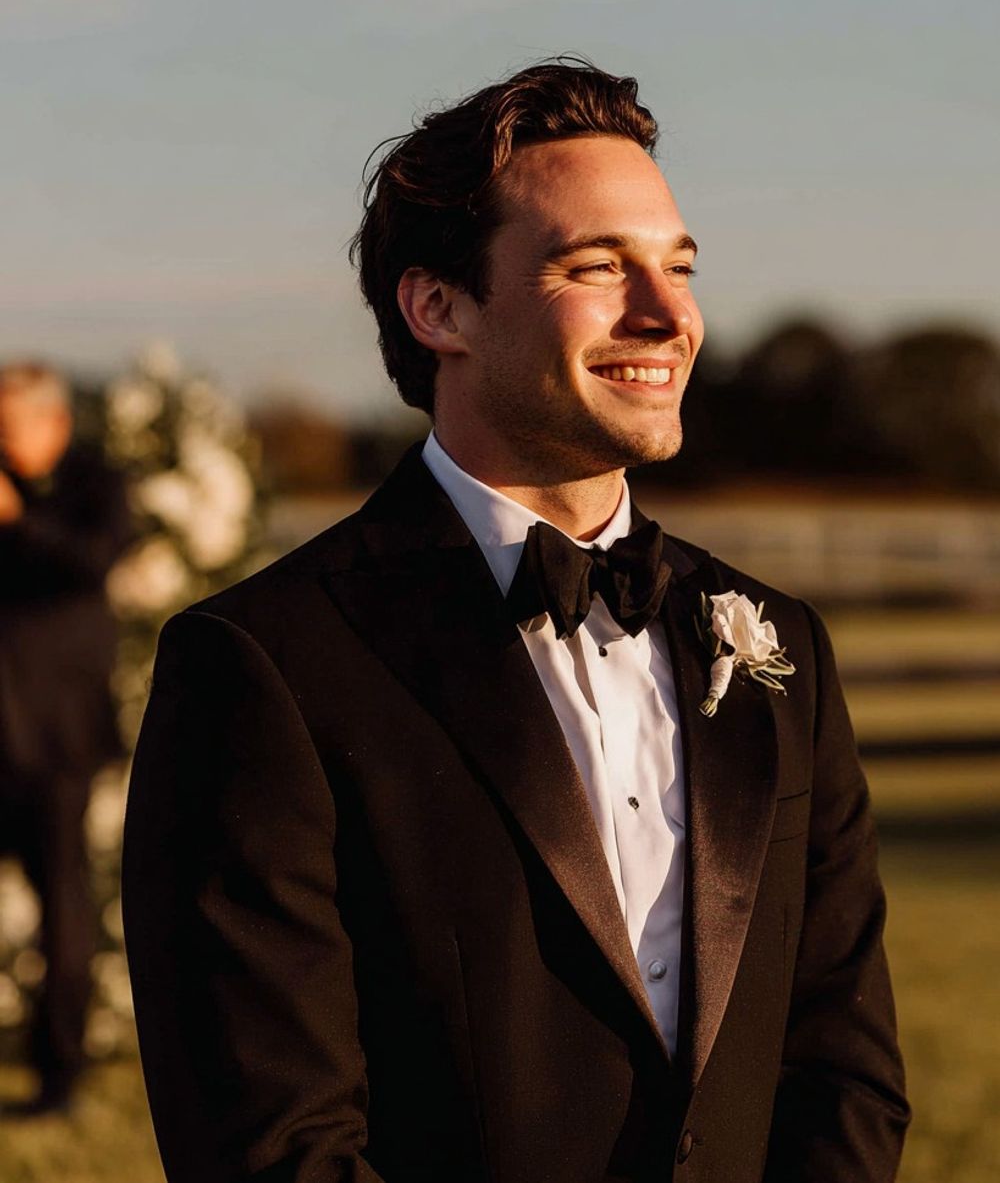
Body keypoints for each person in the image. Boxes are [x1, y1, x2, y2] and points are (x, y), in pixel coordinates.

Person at [123, 60, 909, 1182]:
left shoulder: (779, 640)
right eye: (597, 266)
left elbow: (844, 1062)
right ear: (438, 306)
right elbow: (269, 1143)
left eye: (677, 266)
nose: (667, 314)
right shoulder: (266, 662)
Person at [0, 362, 131, 1115]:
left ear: (50, 423)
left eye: (8, 423)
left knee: (63, 908)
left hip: (57, 740)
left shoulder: (95, 483)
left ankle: (60, 1073)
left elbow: (93, 562)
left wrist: (19, 520)